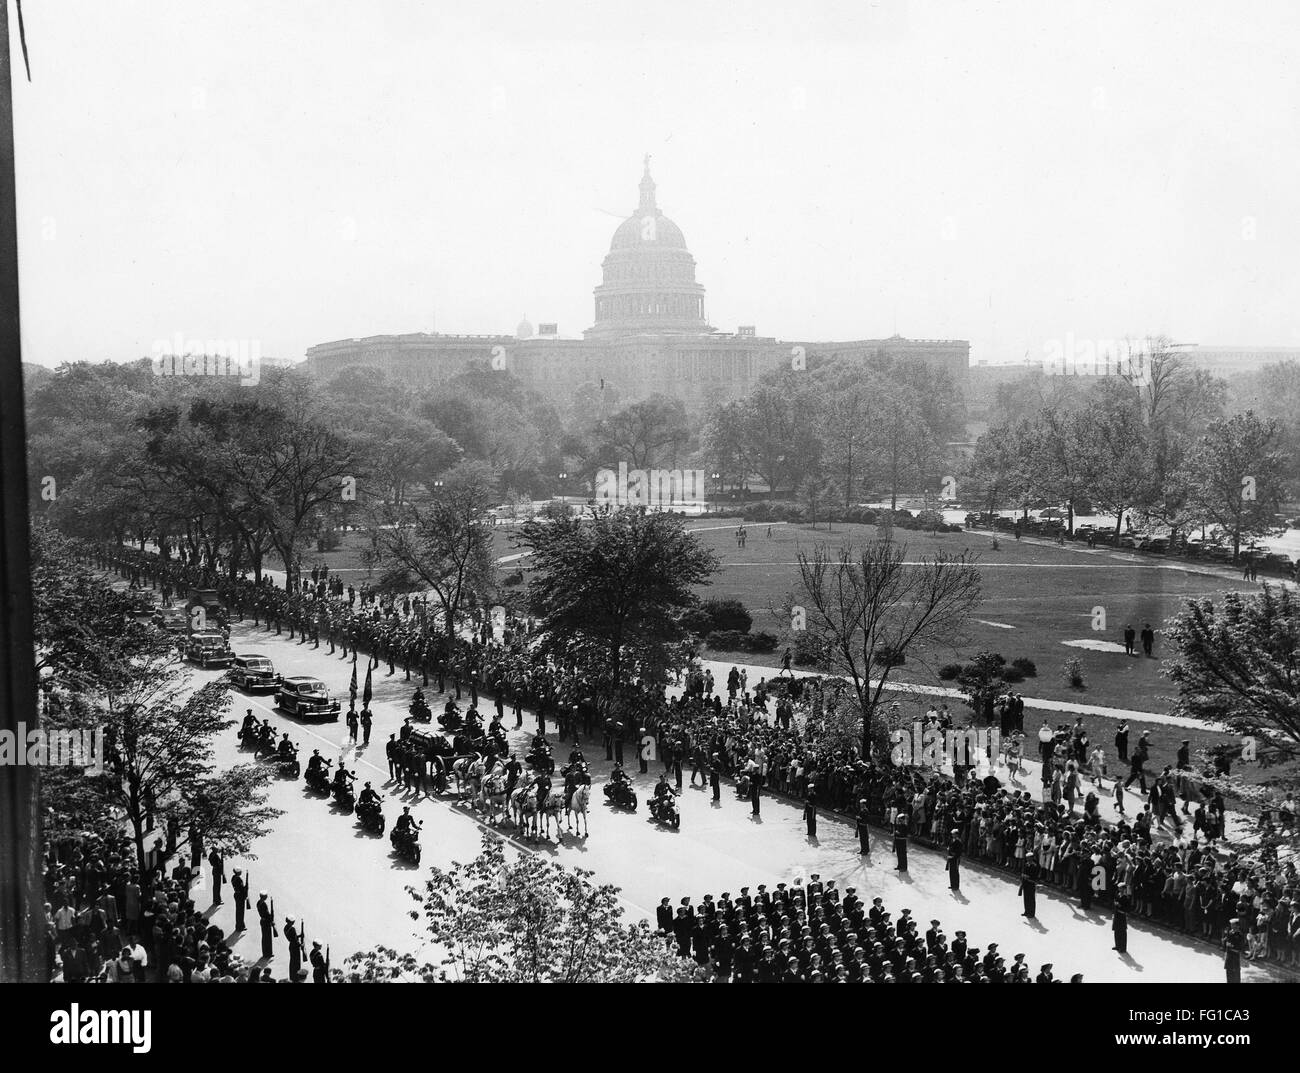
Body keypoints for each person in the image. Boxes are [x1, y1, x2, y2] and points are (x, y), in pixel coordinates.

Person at [1222, 917, 1245, 983]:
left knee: (1236, 974)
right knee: (1228, 972)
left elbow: (1240, 948)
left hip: (1235, 957)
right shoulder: (1230, 932)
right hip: (1229, 956)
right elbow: (1227, 942)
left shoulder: (1239, 935)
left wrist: (1232, 946)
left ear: (1237, 926)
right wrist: (1224, 941)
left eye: (1233, 924)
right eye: (1231, 924)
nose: (1231, 925)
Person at [257, 891, 276, 959]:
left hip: (263, 921)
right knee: (267, 938)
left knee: (265, 938)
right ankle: (268, 953)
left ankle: (266, 953)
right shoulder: (263, 904)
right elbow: (267, 914)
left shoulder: (259, 903)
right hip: (266, 922)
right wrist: (271, 920)